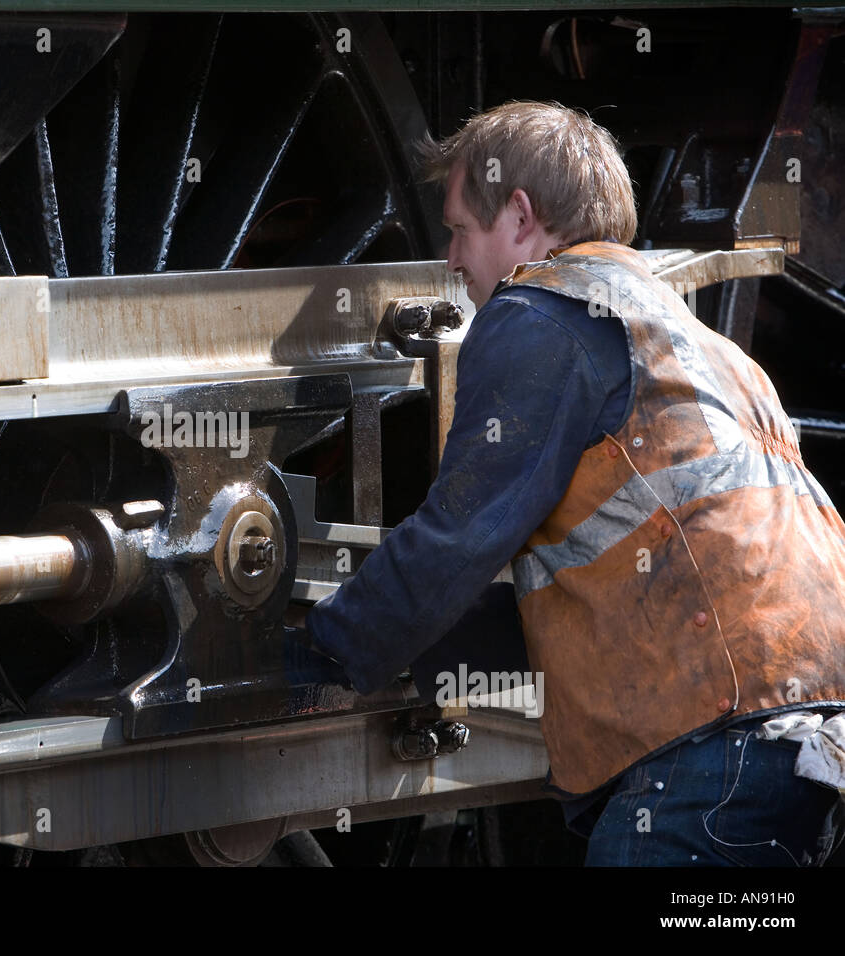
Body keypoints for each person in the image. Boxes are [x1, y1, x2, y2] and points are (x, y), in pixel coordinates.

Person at [305, 100, 845, 866]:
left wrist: (323, 649)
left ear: (520, 216)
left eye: (460, 229)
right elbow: (602, 576)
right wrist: (423, 655)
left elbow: (461, 535)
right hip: (809, 744)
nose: (452, 261)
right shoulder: (699, 343)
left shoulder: (542, 314)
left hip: (710, 749)